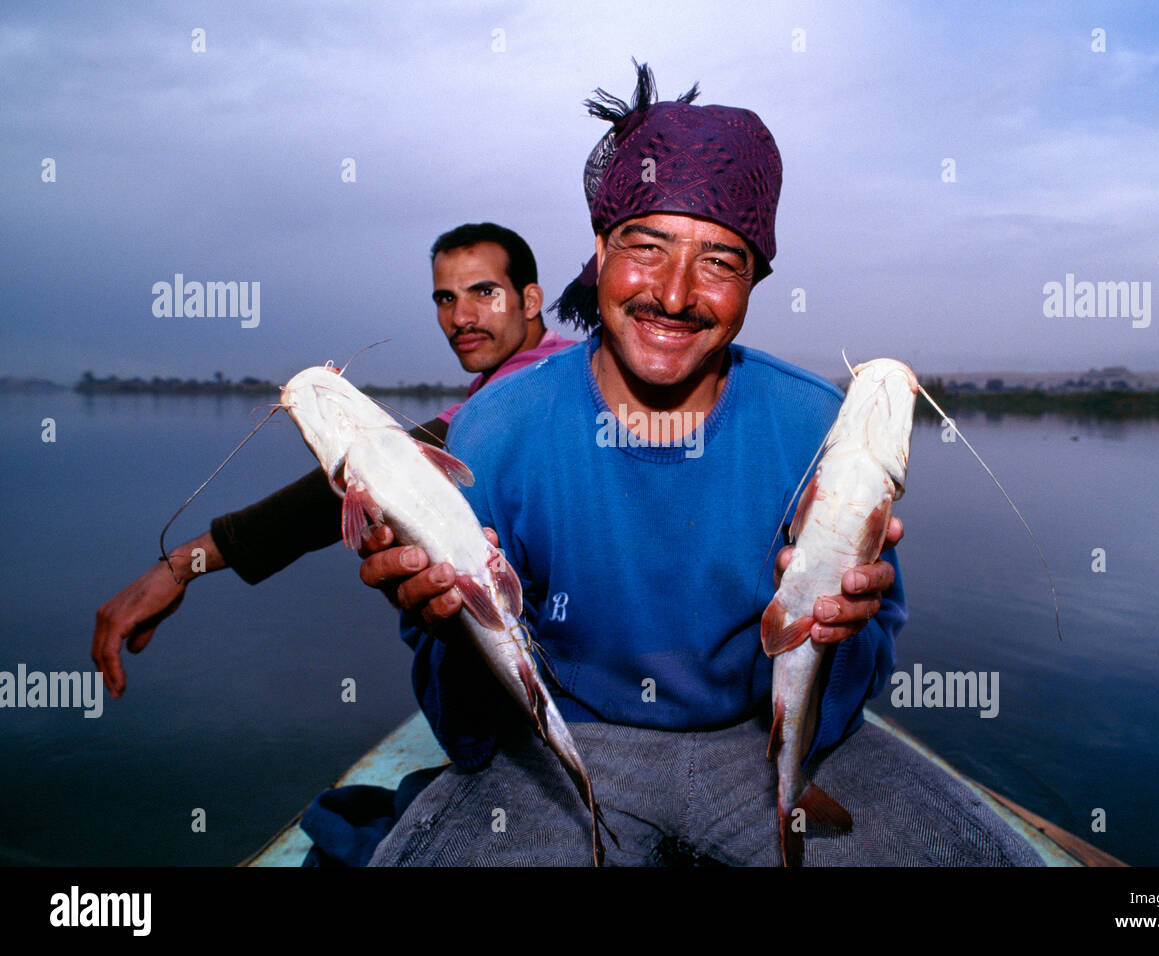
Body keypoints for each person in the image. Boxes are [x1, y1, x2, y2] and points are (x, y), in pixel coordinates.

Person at [358, 65, 1042, 866]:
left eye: (721, 261)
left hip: (761, 750)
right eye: (646, 247)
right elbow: (466, 722)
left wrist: (843, 633)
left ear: (754, 282)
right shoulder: (493, 432)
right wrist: (449, 625)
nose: (675, 294)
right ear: (600, 254)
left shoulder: (824, 426)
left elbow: (859, 671)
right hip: (565, 749)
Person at [91, 223, 577, 699]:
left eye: (483, 292)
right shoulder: (505, 382)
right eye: (445, 298)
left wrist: (184, 563)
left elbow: (372, 474)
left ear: (530, 301)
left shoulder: (537, 382)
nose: (461, 317)